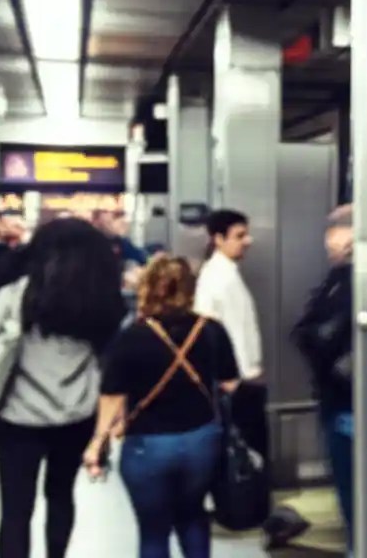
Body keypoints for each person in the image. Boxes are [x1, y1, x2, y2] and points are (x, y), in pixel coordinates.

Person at [0, 218, 123, 558]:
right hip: (76, 415)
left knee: (15, 510)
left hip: (14, 417)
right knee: (61, 495)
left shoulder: (15, 294)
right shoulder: (101, 303)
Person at [84, 256, 241, 558]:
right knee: (194, 516)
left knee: (153, 530)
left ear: (148, 288)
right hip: (201, 440)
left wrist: (97, 442)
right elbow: (230, 382)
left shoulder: (132, 337)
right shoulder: (210, 330)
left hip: (149, 446)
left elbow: (112, 395)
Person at [291, 204, 355, 543]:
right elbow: (303, 332)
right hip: (337, 400)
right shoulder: (336, 280)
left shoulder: (351, 283)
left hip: (349, 403)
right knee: (349, 489)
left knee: (356, 492)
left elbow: (312, 334)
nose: (329, 242)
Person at [193, 210, 266, 455]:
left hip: (236, 378)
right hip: (236, 381)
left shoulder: (222, 273)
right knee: (248, 454)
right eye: (240, 235)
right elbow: (223, 331)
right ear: (219, 239)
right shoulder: (220, 278)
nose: (248, 241)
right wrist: (244, 375)